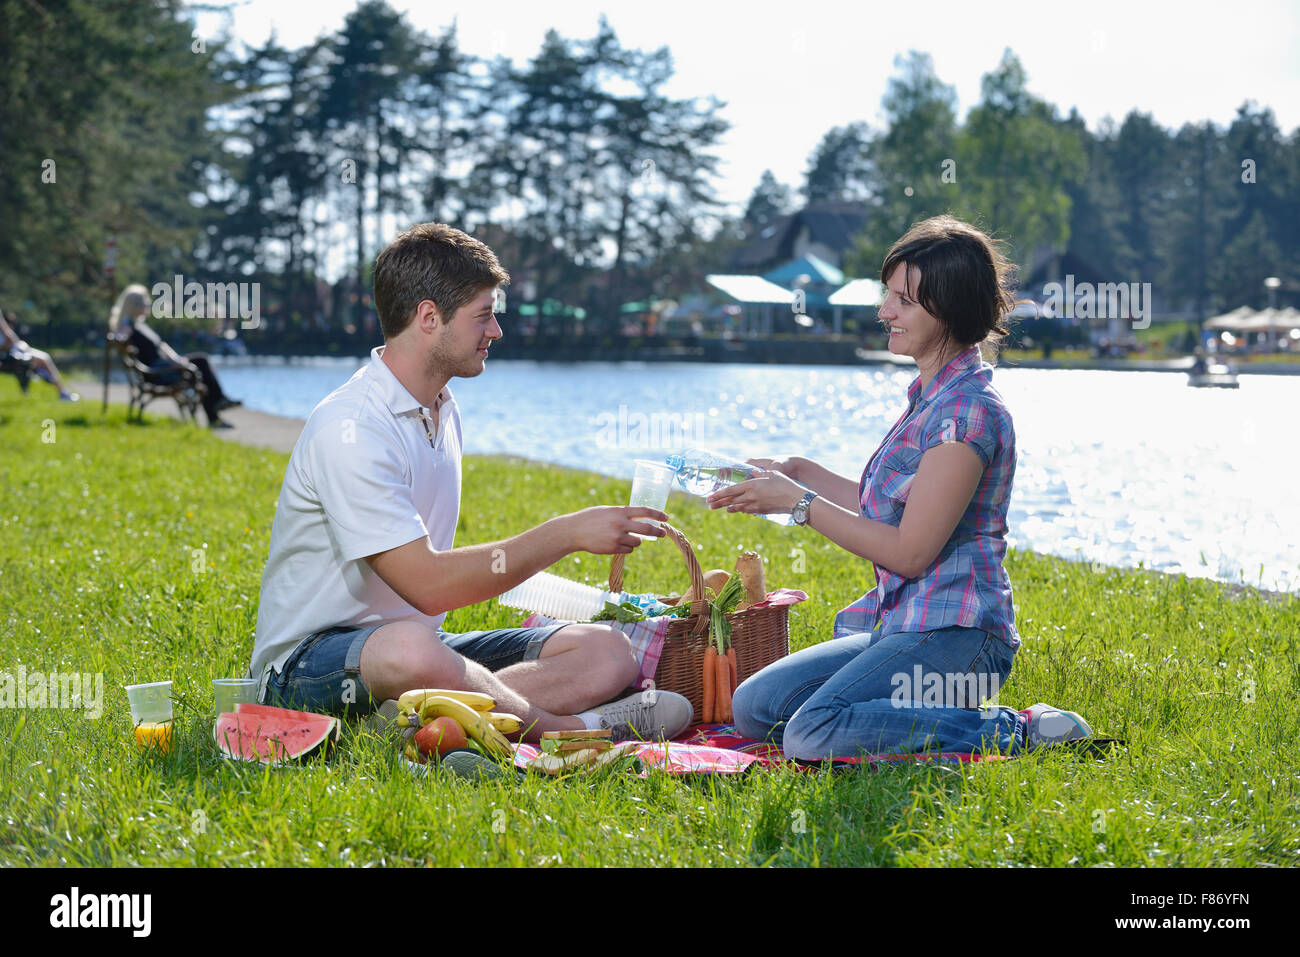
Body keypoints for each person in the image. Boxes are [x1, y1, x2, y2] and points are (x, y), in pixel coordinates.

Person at [247, 222, 694, 744]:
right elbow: (428, 583)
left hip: (423, 645)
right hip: (310, 664)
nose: (496, 331)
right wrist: (565, 534)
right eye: (483, 315)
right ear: (429, 318)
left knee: (608, 651)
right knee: (409, 651)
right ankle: (573, 731)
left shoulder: (442, 408)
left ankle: (424, 720)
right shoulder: (353, 427)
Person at [710, 215, 1092, 760]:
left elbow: (910, 553)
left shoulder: (967, 414)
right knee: (754, 707)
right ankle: (909, 716)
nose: (885, 311)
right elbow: (888, 510)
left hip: (960, 640)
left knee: (810, 731)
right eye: (888, 295)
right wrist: (799, 472)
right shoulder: (932, 398)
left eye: (905, 301)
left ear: (952, 310)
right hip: (906, 626)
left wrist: (797, 505)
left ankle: (1017, 730)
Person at [107, 285, 241, 429]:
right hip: (159, 373)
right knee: (200, 365)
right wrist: (117, 337)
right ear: (136, 306)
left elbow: (162, 346)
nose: (148, 306)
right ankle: (217, 408)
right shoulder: (128, 324)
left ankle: (216, 409)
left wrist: (177, 360)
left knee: (200, 363)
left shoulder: (139, 325)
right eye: (146, 304)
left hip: (165, 367)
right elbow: (121, 336)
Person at [1, 309, 79, 401]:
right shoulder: (4, 330)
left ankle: (60, 389)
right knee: (43, 360)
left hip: (17, 352)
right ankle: (62, 391)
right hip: (12, 355)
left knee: (44, 359)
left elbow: (11, 340)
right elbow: (10, 339)